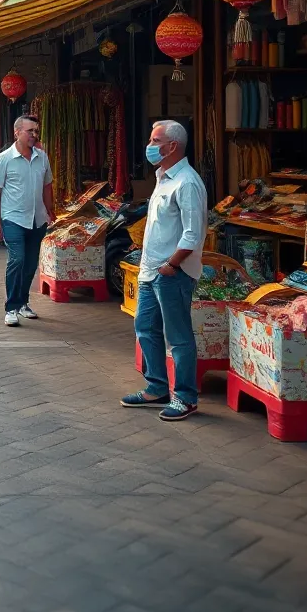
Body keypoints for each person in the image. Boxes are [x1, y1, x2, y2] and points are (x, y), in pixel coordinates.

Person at [121, 120, 207, 422]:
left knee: (179, 336)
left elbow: (193, 234)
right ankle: (156, 386)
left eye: (155, 139)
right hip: (150, 271)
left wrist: (171, 265)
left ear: (172, 146)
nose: (149, 145)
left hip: (172, 273)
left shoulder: (188, 182)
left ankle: (185, 397)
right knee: (145, 328)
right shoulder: (163, 177)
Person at [0, 115, 54, 327]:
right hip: (13, 218)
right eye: (30, 131)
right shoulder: (4, 159)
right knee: (17, 259)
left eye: (36, 131)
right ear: (17, 133)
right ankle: (11, 307)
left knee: (30, 263)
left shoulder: (42, 157)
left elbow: (47, 186)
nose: (34, 135)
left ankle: (23, 303)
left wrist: (51, 211)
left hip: (37, 219)